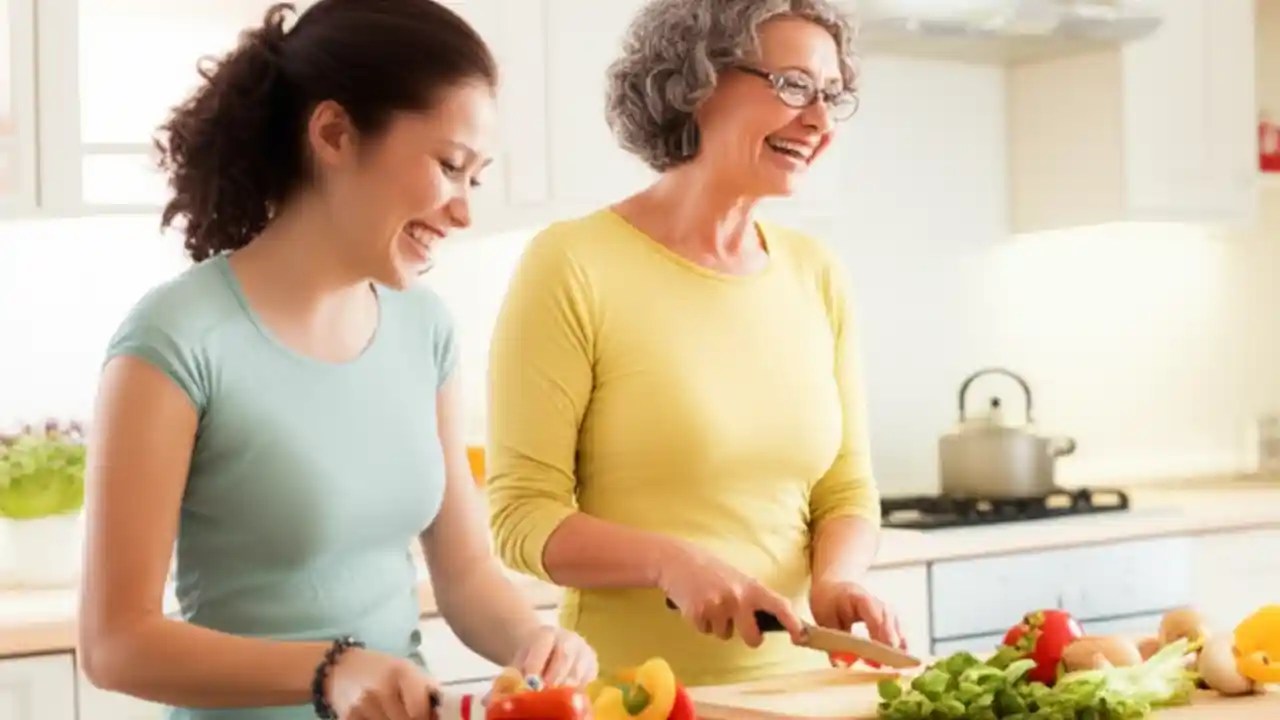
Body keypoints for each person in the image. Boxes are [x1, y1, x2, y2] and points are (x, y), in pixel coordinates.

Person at [77, 2, 597, 719]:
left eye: (475, 177)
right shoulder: (177, 339)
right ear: (333, 133)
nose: (464, 209)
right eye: (449, 166)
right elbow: (114, 645)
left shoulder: (425, 329)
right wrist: (329, 670)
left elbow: (468, 575)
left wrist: (535, 640)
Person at [486, 0, 904, 688]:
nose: (820, 121)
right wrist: (670, 563)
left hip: (800, 691)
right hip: (635, 695)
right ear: (697, 80)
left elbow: (847, 488)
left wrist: (839, 577)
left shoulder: (816, 272)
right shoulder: (573, 263)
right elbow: (522, 517)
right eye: (794, 86)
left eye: (832, 95)